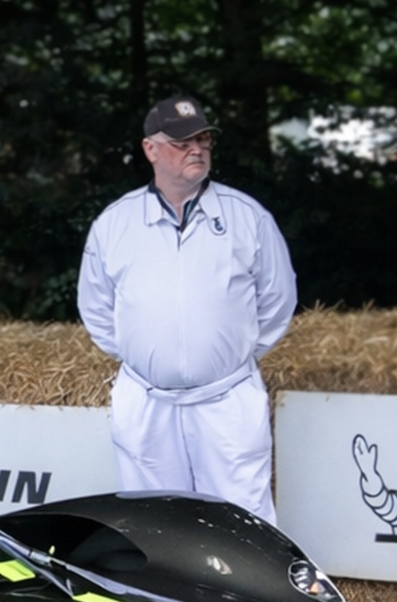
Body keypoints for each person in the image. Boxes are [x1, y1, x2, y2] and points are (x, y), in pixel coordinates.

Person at [77, 94, 296, 524]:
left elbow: (278, 301)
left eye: (203, 140)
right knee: (154, 523)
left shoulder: (247, 216)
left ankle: (247, 595)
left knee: (243, 520)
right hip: (146, 399)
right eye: (181, 142)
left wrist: (227, 358)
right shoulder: (115, 223)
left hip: (227, 397)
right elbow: (97, 308)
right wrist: (145, 356)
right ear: (150, 149)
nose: (196, 149)